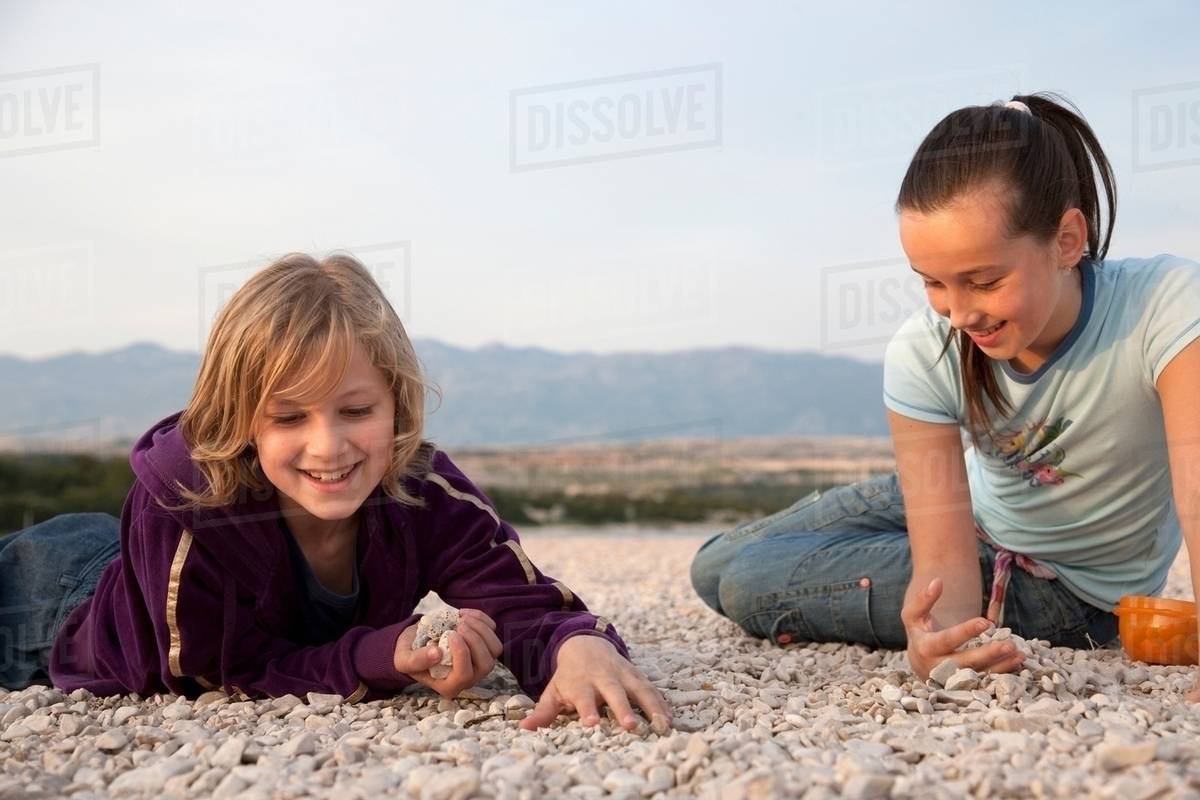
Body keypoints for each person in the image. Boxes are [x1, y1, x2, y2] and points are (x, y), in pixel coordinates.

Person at [0, 252, 670, 732]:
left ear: (397, 403)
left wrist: (575, 646)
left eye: (356, 411)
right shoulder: (186, 511)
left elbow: (521, 602)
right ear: (240, 420)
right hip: (61, 603)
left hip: (112, 557)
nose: (329, 447)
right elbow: (214, 675)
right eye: (289, 417)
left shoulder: (419, 492)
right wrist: (382, 658)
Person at [691, 92, 1200, 690]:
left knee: (746, 581)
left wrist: (945, 634)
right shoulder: (922, 349)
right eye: (932, 282)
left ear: (1066, 240)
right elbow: (944, 557)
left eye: (984, 281)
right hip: (970, 507)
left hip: (1062, 587)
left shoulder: (1165, 306)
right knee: (713, 566)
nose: (959, 314)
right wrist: (935, 636)